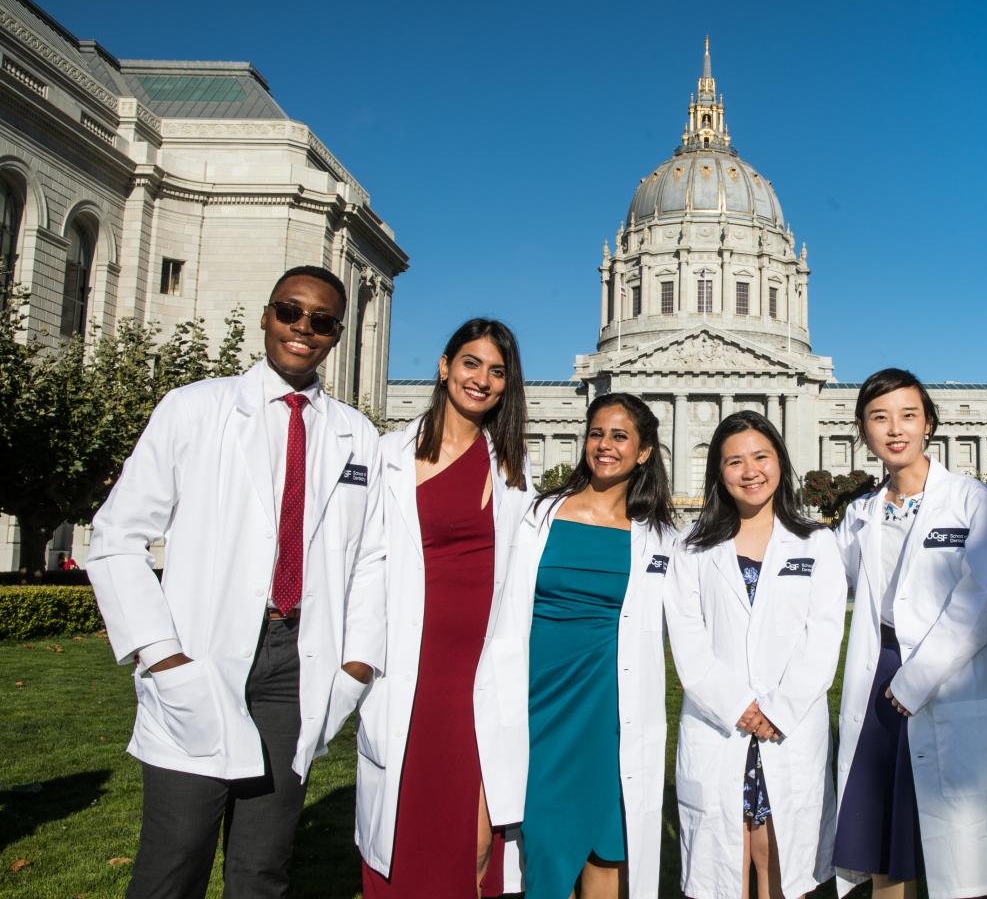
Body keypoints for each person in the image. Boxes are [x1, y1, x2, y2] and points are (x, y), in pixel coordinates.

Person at [85, 265, 385, 899]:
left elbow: (371, 560)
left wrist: (356, 666)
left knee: (262, 870)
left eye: (322, 321)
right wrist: (160, 654)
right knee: (173, 864)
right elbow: (115, 537)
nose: (302, 328)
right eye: (290, 311)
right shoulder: (194, 408)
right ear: (266, 315)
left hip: (297, 665)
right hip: (201, 653)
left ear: (337, 335)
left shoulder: (356, 434)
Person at [829, 368, 987, 899]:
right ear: (862, 430)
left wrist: (919, 677)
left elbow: (980, 599)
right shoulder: (860, 513)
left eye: (908, 415)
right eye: (879, 417)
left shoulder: (971, 499)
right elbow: (828, 584)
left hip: (949, 675)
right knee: (884, 838)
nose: (895, 429)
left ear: (929, 424)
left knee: (964, 848)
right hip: (881, 673)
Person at [356, 319, 533, 897]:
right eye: (470, 364)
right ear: (444, 367)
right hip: (411, 665)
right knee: (406, 828)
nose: (482, 380)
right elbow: (363, 561)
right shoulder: (387, 454)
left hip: (481, 670)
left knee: (474, 840)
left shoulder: (513, 468)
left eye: (497, 371)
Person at [499, 393, 678, 899]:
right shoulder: (537, 515)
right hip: (541, 701)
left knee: (608, 847)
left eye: (620, 436)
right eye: (597, 433)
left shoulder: (660, 537)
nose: (605, 445)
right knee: (546, 846)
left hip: (612, 707)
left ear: (644, 451)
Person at [664, 411, 846, 899]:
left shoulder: (817, 541)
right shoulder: (690, 547)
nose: (750, 472)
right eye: (734, 462)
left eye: (761, 457)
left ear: (780, 462)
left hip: (788, 723)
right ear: (718, 472)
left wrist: (777, 710)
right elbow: (687, 637)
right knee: (725, 856)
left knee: (777, 853)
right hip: (719, 723)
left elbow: (823, 635)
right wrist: (736, 706)